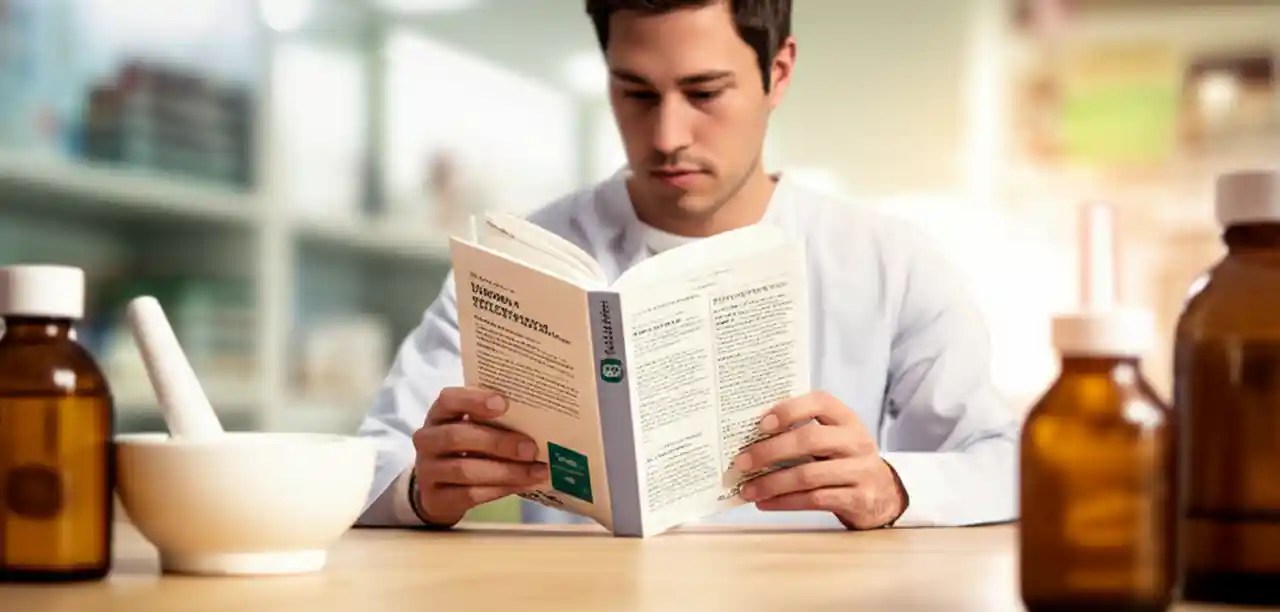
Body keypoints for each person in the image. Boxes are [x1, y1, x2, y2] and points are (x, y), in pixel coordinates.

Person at [355, 0, 1019, 531]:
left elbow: (1009, 461)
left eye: (704, 92)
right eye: (636, 93)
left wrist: (891, 487)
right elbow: (372, 462)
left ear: (778, 72)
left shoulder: (887, 262)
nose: (668, 136)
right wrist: (421, 488)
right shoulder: (517, 259)